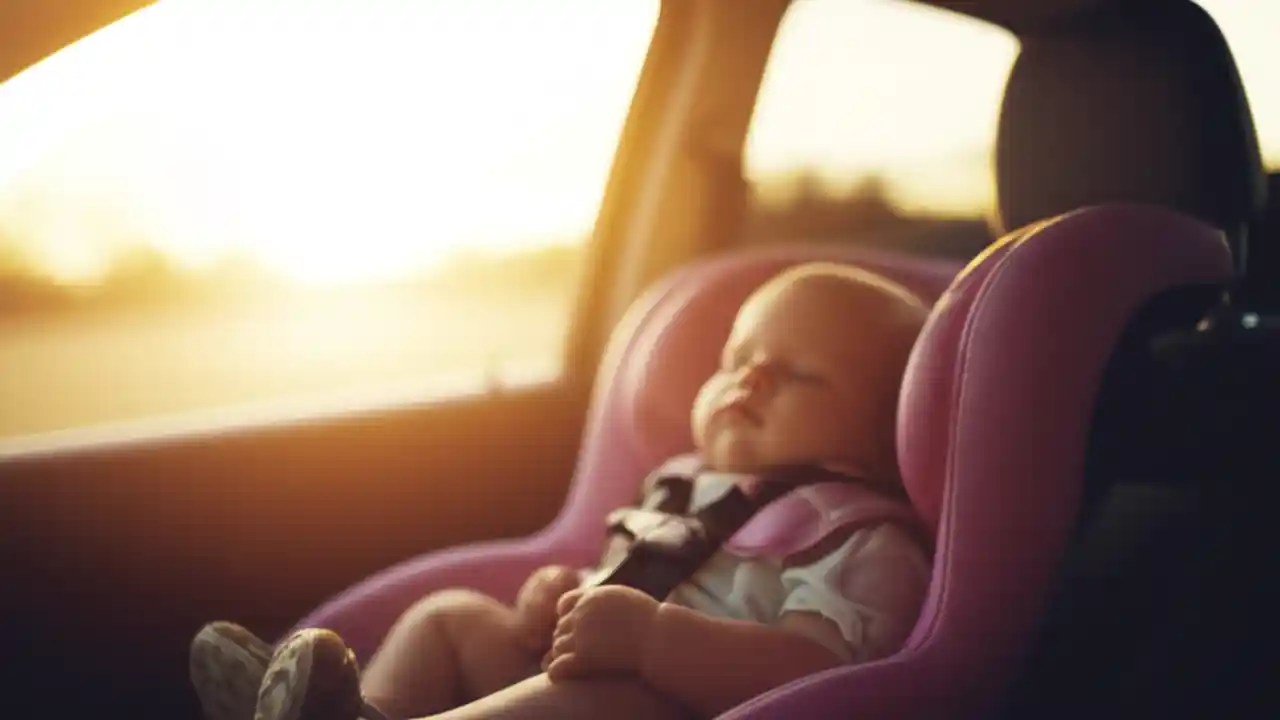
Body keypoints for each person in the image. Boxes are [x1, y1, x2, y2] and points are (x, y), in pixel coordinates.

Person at [190, 262, 933, 720]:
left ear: (887, 425)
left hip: (674, 703)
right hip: (583, 671)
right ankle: (364, 712)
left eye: (797, 374)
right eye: (738, 361)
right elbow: (629, 578)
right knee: (450, 618)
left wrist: (654, 643)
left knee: (603, 699)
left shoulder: (863, 540)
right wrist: (559, 600)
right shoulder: (681, 488)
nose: (750, 382)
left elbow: (821, 681)